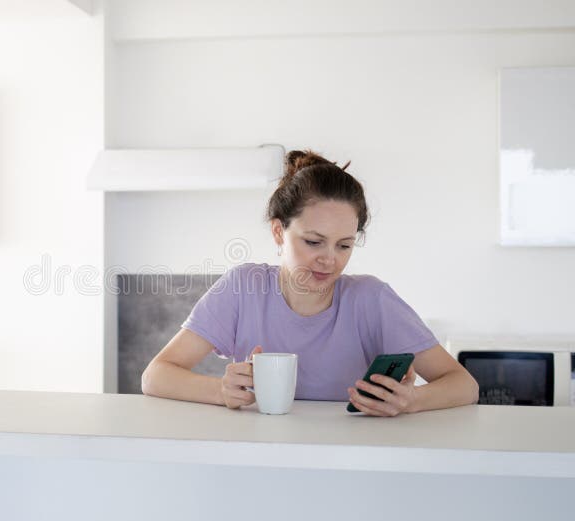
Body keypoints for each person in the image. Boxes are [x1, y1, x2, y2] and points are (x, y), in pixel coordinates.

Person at [141, 149, 479, 416]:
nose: (329, 259)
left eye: (344, 245)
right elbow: (156, 376)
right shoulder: (242, 287)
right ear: (278, 232)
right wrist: (220, 391)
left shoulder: (371, 299)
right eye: (314, 242)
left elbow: (464, 385)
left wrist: (411, 400)